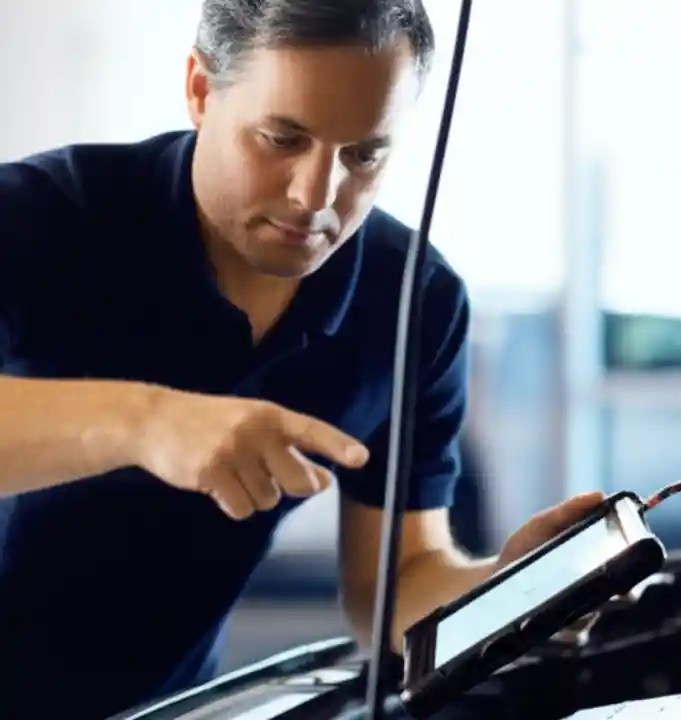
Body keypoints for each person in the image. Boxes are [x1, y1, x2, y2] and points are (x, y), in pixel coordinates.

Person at [0, 1, 603, 717]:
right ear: (200, 89)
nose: (316, 197)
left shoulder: (413, 299)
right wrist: (148, 423)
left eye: (364, 155)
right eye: (282, 139)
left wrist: (511, 591)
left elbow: (397, 585)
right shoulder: (44, 215)